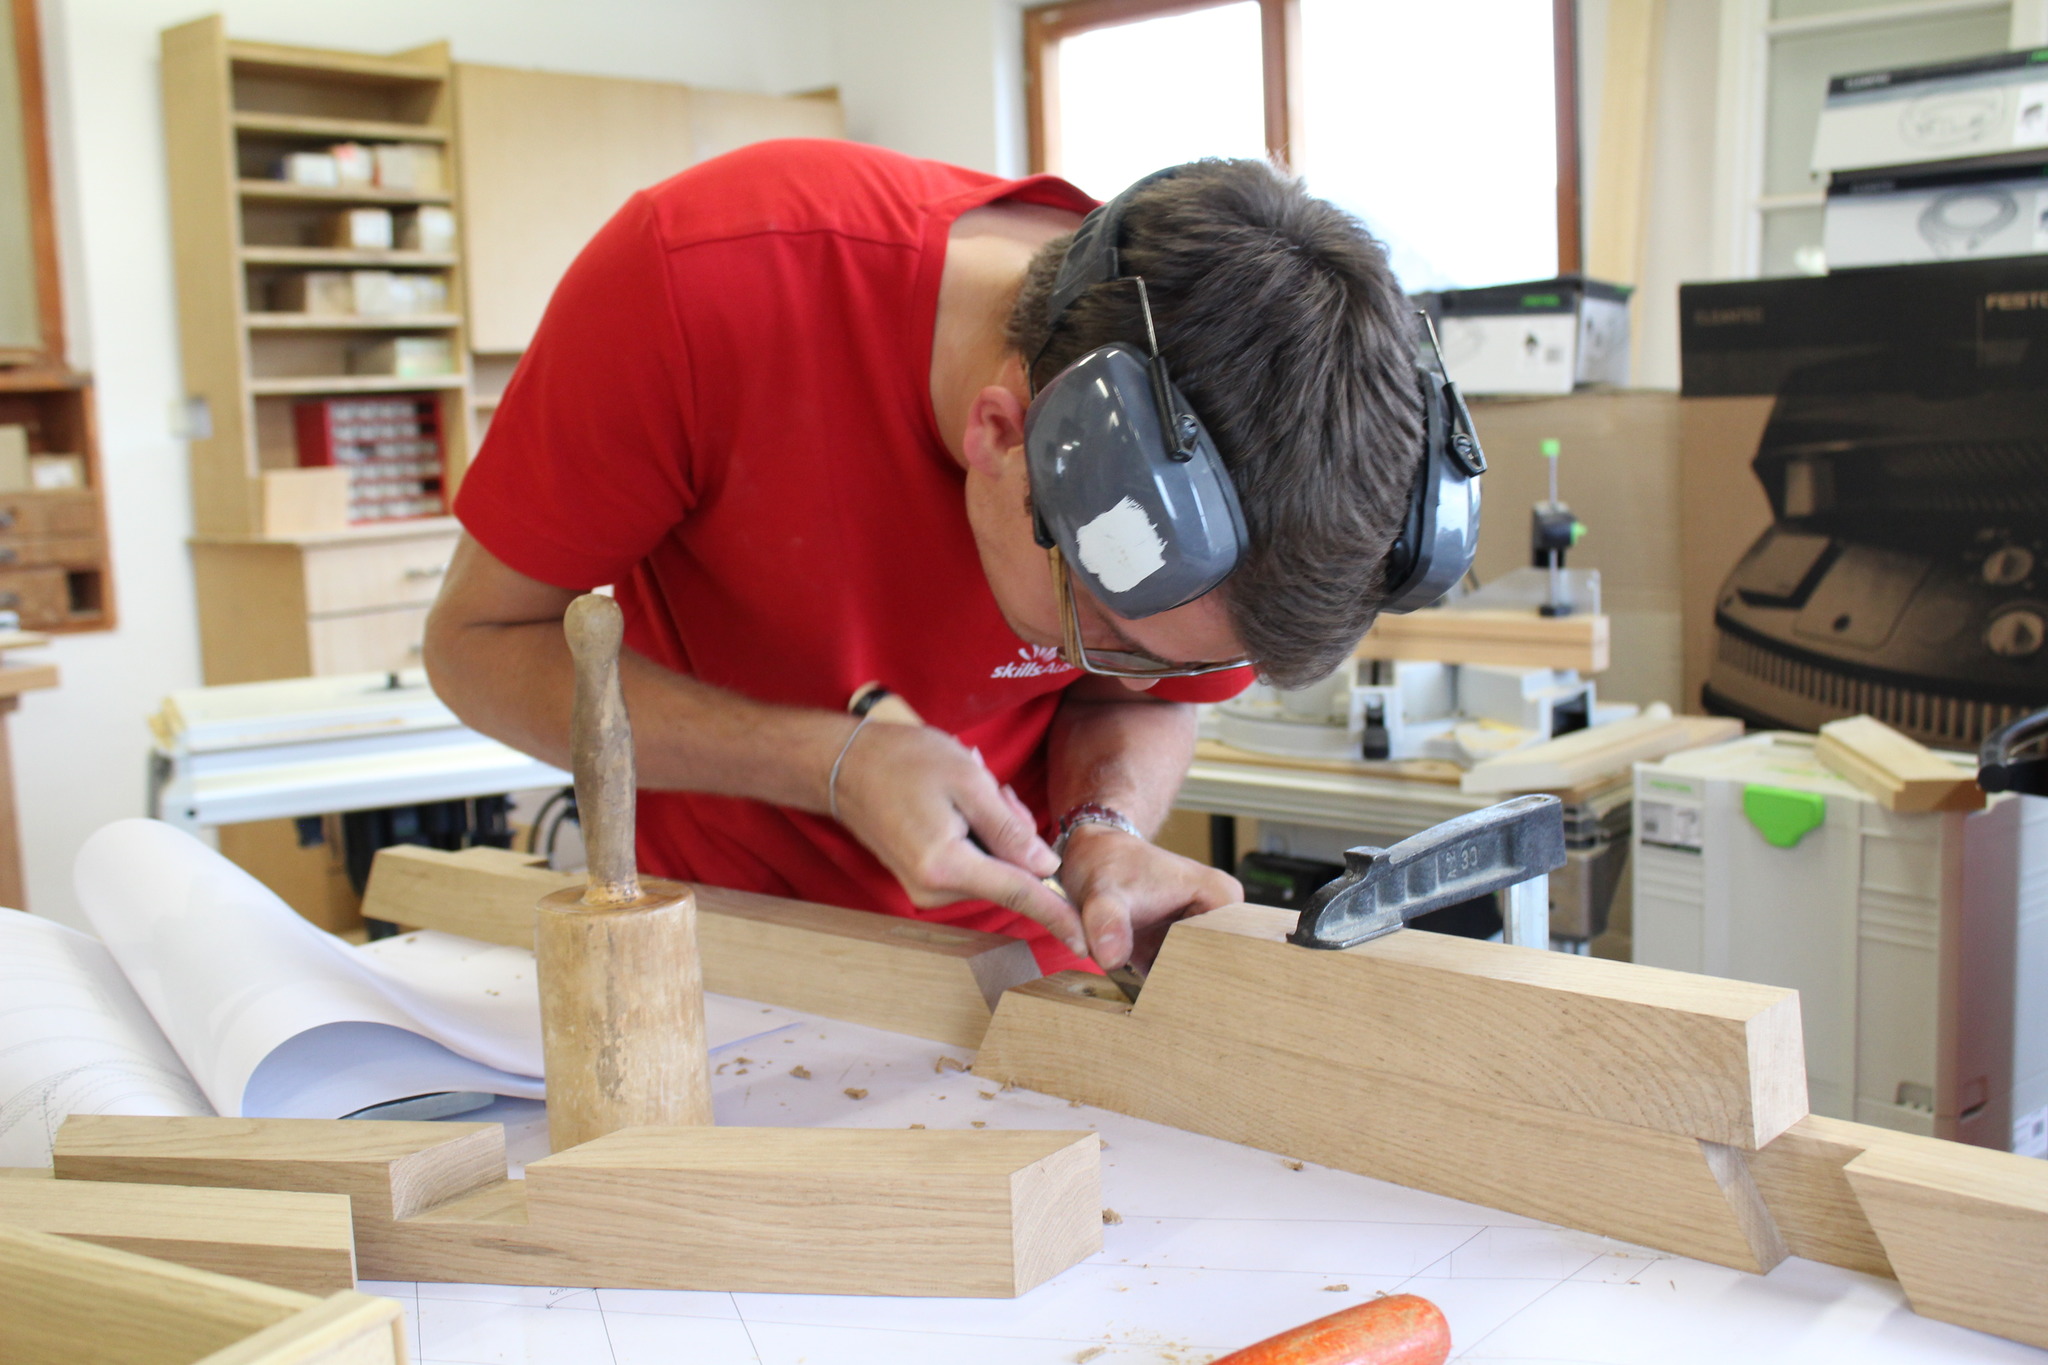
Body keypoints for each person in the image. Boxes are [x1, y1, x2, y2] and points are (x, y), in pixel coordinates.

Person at [424, 138, 1423, 976]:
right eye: (1105, 630)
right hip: (723, 957)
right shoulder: (700, 282)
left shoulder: (1251, 482)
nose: (1133, 666)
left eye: (1177, 658)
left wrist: (1103, 831)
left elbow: (1129, 698)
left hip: (1021, 973)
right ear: (999, 435)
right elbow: (477, 644)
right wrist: (828, 763)